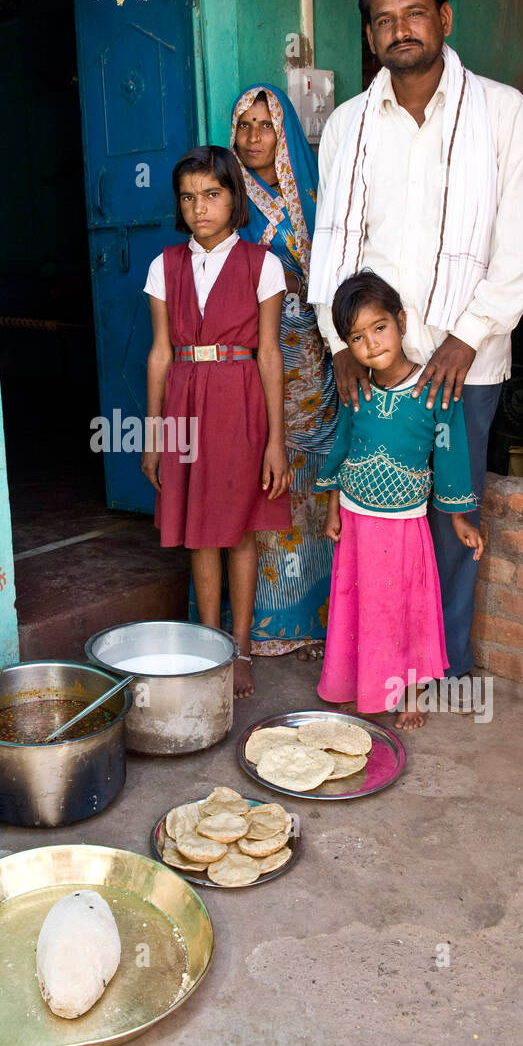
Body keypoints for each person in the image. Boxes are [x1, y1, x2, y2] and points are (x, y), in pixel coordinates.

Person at [309, 0, 523, 684]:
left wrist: (466, 337)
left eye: (414, 13)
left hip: (460, 368)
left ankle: (439, 667)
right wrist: (336, 340)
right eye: (382, 19)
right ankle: (374, 657)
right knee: (371, 514)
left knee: (449, 515)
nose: (399, 29)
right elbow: (334, 239)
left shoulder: (500, 110)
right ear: (370, 35)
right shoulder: (349, 123)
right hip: (372, 364)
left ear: (443, 18)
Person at [141, 146, 293, 699]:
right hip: (182, 399)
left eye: (212, 194)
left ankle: (243, 648)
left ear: (235, 198)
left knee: (240, 531)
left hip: (239, 400)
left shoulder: (262, 263)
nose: (199, 207)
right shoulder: (165, 265)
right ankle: (211, 650)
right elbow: (160, 353)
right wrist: (154, 435)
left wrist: (276, 440)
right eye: (188, 197)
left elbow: (271, 354)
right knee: (200, 534)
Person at [315, 271, 483, 729]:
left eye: (379, 327)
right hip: (356, 522)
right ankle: (355, 683)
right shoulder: (357, 392)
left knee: (404, 608)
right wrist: (333, 509)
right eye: (356, 337)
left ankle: (409, 692)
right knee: (359, 604)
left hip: (405, 526)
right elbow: (341, 449)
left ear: (402, 322)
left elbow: (450, 456)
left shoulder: (434, 392)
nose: (370, 344)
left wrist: (461, 520)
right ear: (347, 345)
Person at [230, 84, 338, 661]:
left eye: (264, 125)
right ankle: (266, 622)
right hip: (261, 352)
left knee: (319, 473)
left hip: (322, 355)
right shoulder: (232, 198)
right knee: (269, 471)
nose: (252, 137)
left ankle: (316, 614)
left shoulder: (316, 192)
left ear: (284, 133)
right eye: (243, 125)